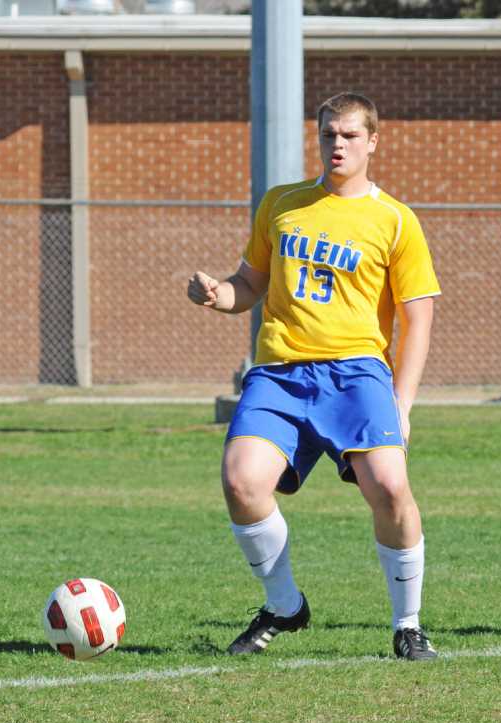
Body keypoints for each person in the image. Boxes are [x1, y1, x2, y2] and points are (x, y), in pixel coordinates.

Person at [187, 92, 441, 660]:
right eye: (329, 135)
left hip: (358, 374)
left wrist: (403, 404)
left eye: (350, 135)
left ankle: (408, 624)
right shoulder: (282, 203)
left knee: (390, 488)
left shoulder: (395, 219)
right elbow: (249, 285)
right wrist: (217, 294)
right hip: (280, 372)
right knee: (241, 483)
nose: (337, 145)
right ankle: (284, 606)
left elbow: (418, 319)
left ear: (373, 141)